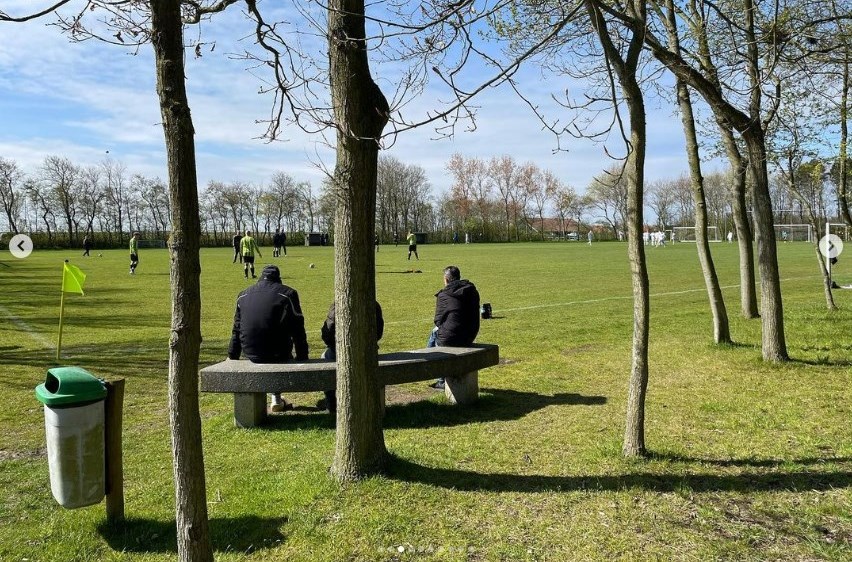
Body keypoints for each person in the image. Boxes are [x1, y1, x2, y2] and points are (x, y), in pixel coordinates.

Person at [228, 264, 309, 412]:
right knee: (278, 346)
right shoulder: (288, 294)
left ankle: (271, 398)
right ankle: (276, 398)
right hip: (278, 352)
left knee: (269, 343)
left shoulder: (243, 295)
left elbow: (236, 328)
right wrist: (302, 356)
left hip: (250, 352)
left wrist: (232, 356)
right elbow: (298, 328)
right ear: (278, 278)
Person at [320, 301, 384, 413]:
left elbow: (328, 331)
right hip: (368, 350)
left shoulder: (337, 305)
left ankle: (331, 403)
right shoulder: (373, 304)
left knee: (324, 358)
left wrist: (335, 346)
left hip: (340, 350)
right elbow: (379, 331)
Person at [428, 265, 480, 389]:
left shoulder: (444, 295)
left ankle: (439, 378)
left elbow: (438, 320)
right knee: (437, 332)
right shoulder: (472, 290)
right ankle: (438, 375)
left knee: (435, 333)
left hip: (452, 337)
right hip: (470, 334)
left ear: (446, 279)